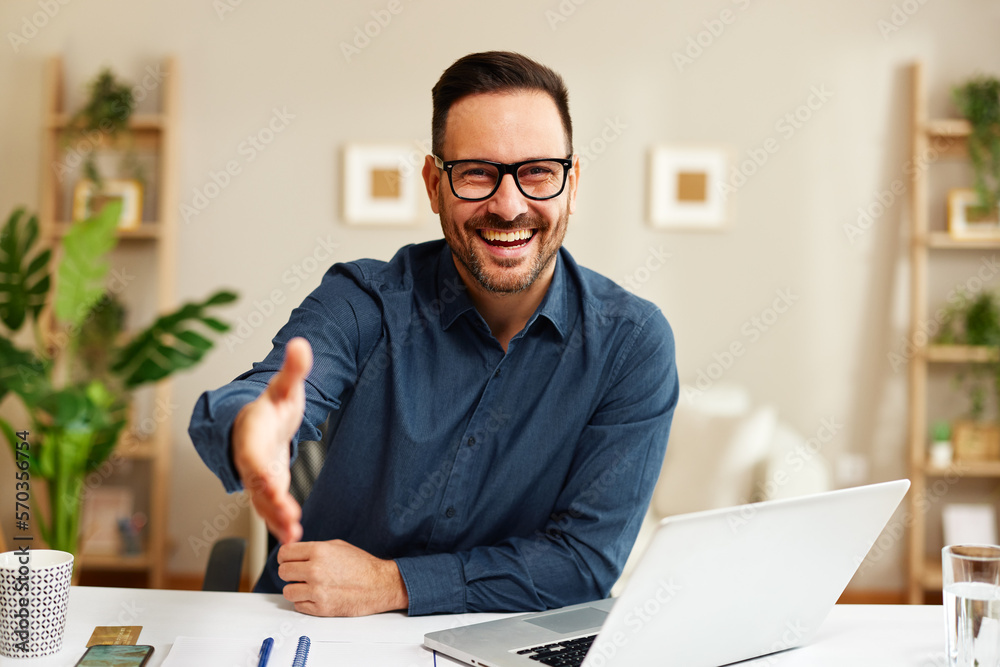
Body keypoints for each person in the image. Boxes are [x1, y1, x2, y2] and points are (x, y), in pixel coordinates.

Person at [189, 51, 678, 618]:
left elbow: (582, 564)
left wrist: (393, 583)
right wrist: (253, 429)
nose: (510, 205)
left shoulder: (631, 343)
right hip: (313, 633)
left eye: (538, 172)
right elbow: (273, 391)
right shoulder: (365, 300)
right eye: (476, 173)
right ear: (433, 184)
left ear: (571, 184)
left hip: (498, 646)